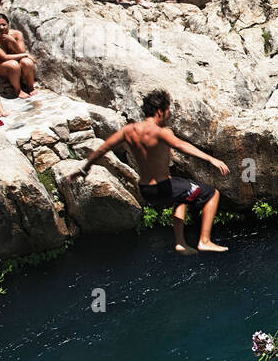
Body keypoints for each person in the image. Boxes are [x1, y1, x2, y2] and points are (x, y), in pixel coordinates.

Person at [78, 89, 229, 253]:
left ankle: (180, 243)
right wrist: (211, 159)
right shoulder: (160, 132)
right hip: (162, 187)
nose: (169, 114)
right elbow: (180, 145)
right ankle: (205, 241)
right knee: (212, 193)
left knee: (183, 194)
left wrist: (84, 168)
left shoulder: (128, 130)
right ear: (160, 111)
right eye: (168, 110)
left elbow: (102, 149)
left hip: (146, 190)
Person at [0, 13, 37, 97]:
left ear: (8, 24)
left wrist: (13, 41)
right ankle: (18, 90)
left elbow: (21, 52)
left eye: (4, 25)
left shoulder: (17, 34)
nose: (1, 27)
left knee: (27, 62)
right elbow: (4, 57)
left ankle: (30, 87)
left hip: (16, 61)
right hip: (0, 65)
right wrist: (25, 55)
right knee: (13, 64)